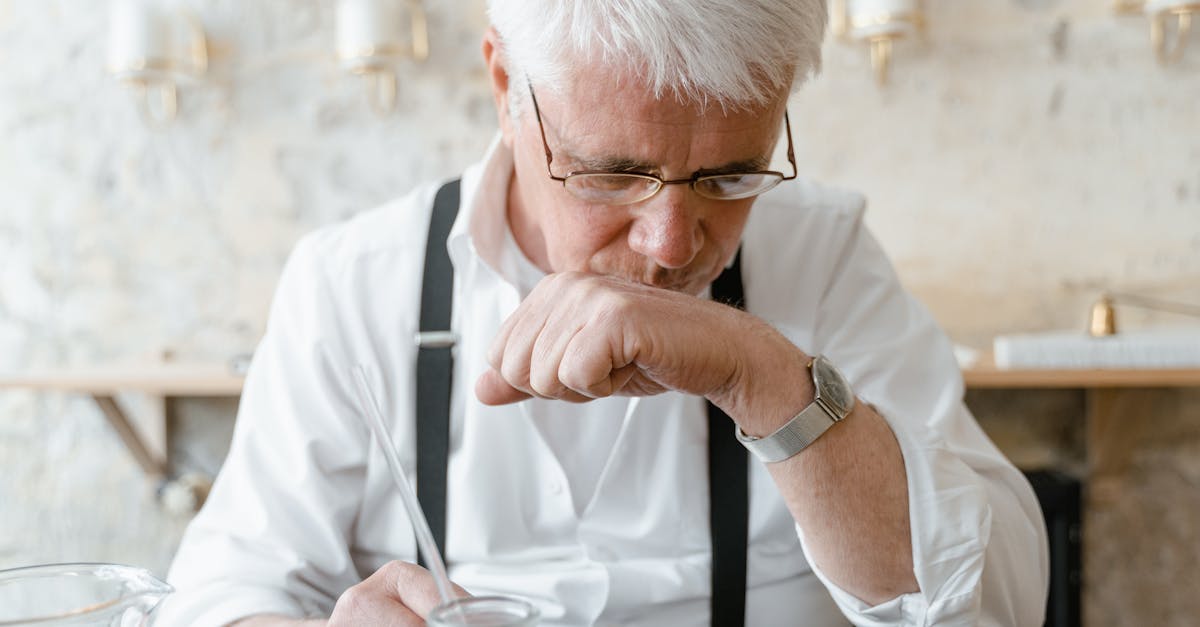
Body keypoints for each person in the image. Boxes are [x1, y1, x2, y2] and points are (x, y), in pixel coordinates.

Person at [161, 1, 1049, 625]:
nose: (670, 244)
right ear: (505, 85)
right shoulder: (353, 286)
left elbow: (1001, 597)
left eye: (727, 177)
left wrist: (763, 376)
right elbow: (214, 597)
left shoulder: (824, 257)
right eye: (612, 173)